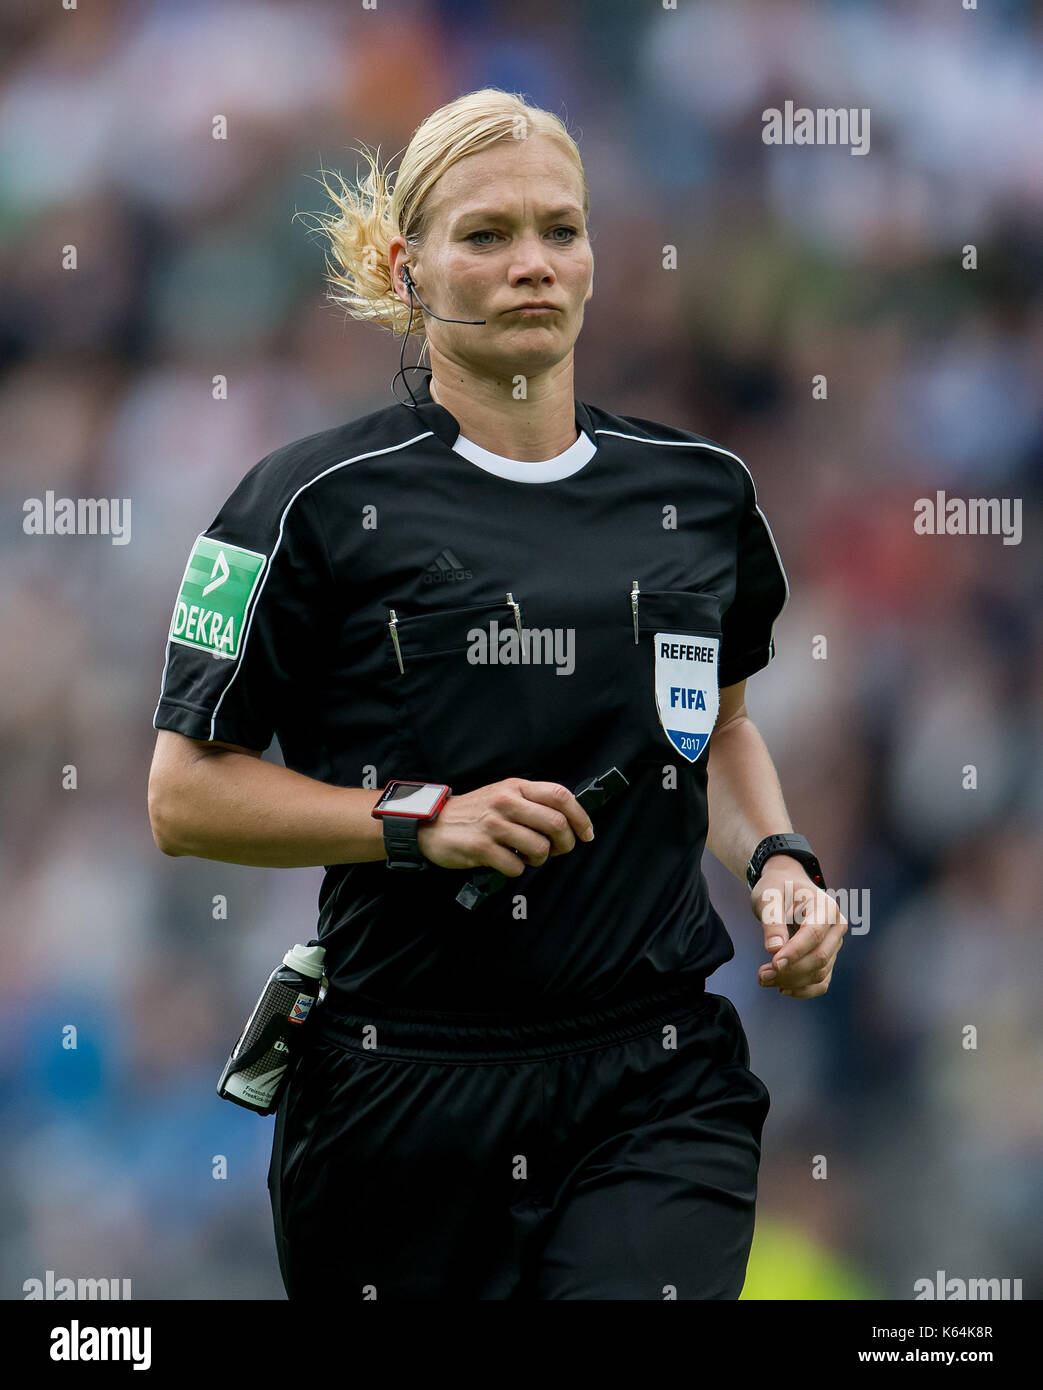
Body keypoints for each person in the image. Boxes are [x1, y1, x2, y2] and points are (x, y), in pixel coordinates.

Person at [147, 87, 848, 1301]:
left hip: (653, 1074)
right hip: (395, 1095)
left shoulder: (699, 495)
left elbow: (719, 730)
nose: (533, 263)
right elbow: (182, 796)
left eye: (559, 229)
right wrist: (416, 819)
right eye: (486, 235)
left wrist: (777, 861)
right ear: (405, 266)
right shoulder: (302, 504)